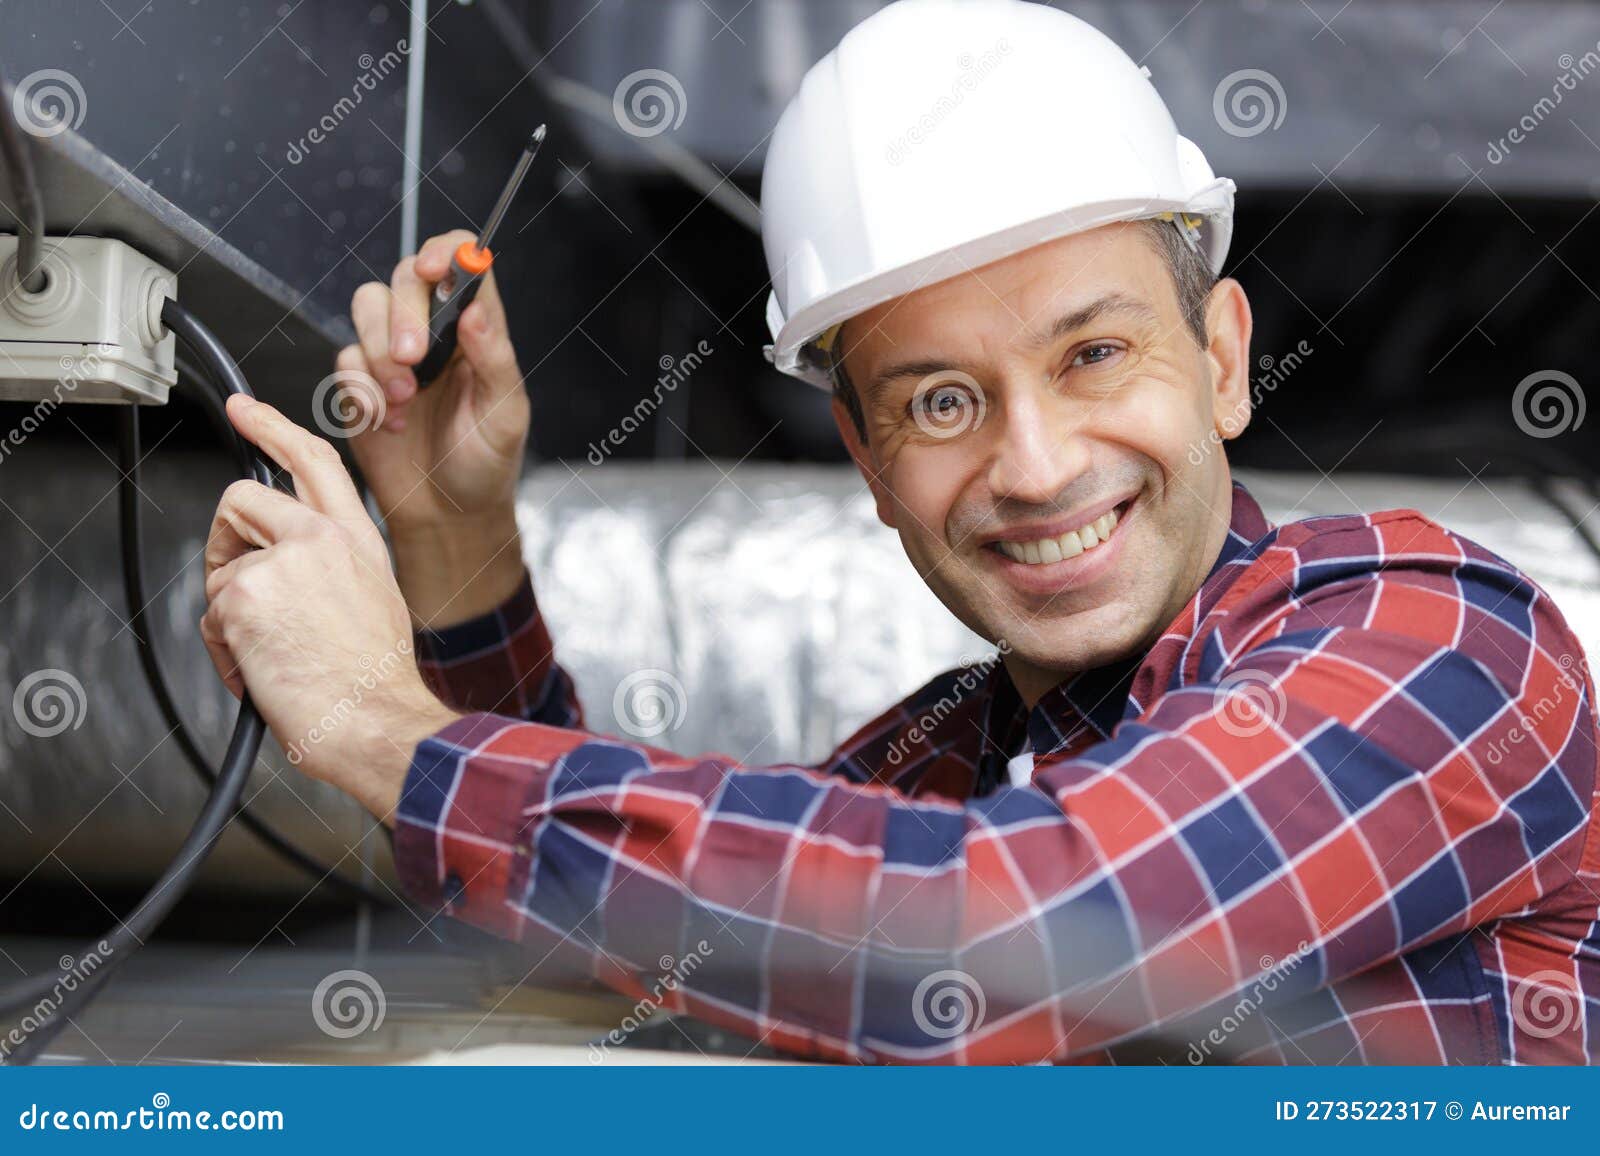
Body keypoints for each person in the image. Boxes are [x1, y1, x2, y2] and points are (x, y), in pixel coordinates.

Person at [201, 0, 1598, 1064]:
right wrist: (453, 535)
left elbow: (1034, 934)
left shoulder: (1439, 640)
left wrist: (384, 727)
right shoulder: (934, 776)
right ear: (866, 458)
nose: (1036, 466)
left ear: (1222, 360)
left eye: (1095, 355)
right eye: (942, 400)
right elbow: (616, 936)